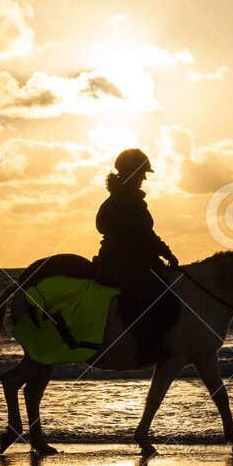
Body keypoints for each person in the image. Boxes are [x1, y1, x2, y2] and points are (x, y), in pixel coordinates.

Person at [94, 147, 179, 363]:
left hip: (129, 259)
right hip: (123, 262)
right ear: (131, 173)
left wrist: (162, 252)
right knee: (152, 295)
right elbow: (144, 234)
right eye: (141, 174)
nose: (143, 179)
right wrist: (166, 253)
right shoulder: (125, 201)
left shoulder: (124, 198)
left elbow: (143, 234)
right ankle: (145, 347)